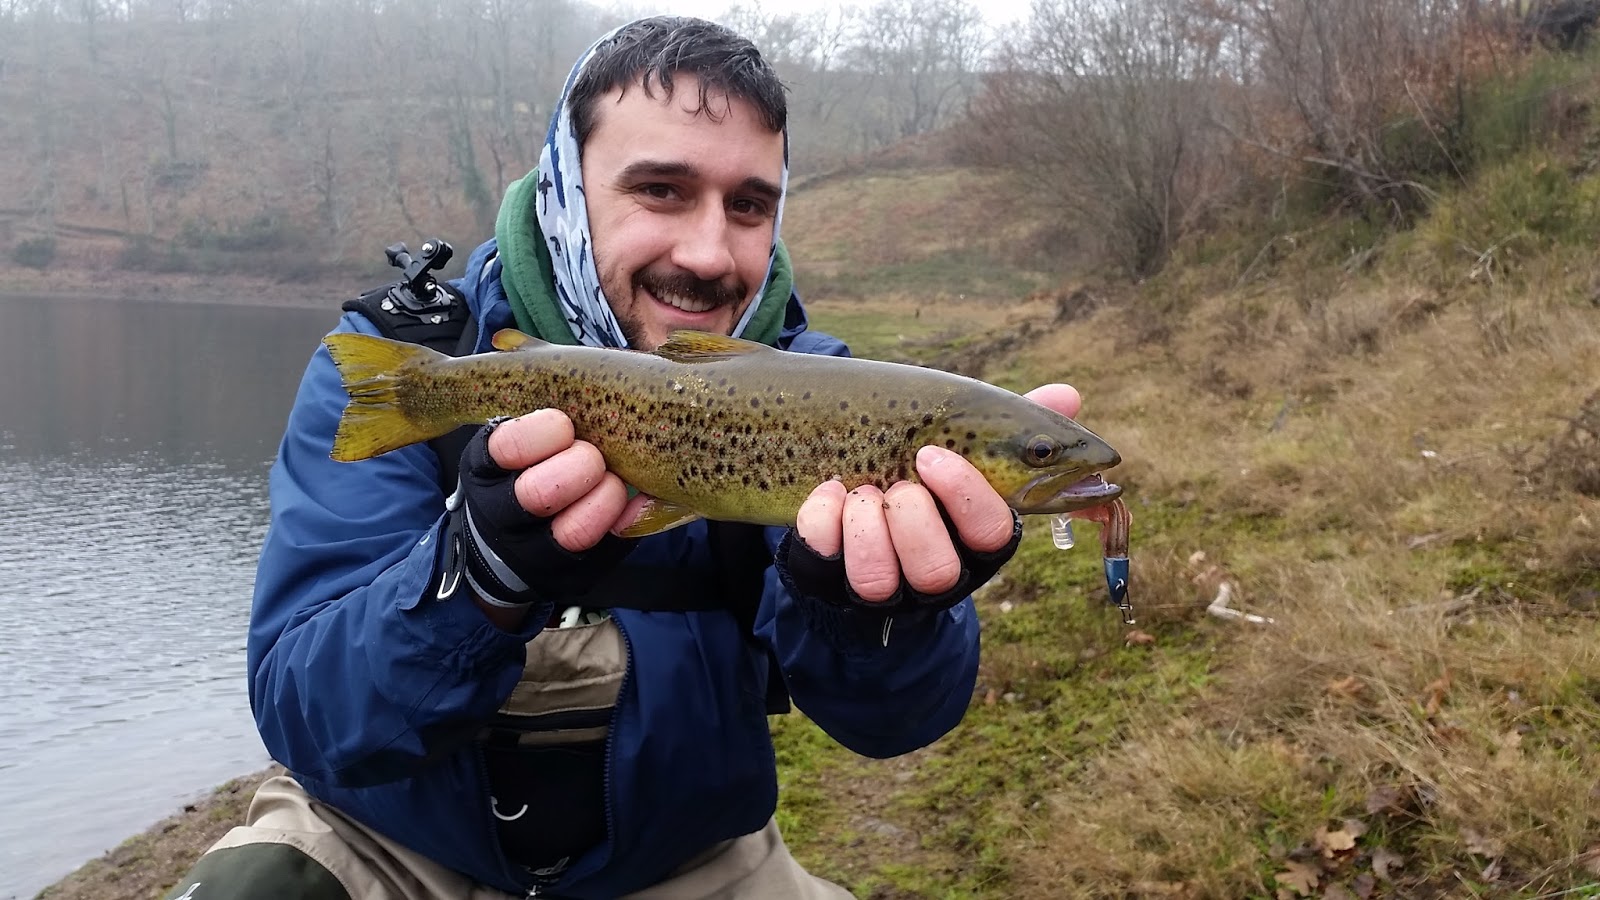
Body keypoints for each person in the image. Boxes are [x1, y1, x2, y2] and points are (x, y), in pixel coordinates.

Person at [164, 15, 1089, 900]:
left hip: (685, 861)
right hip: (389, 846)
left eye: (751, 205)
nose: (708, 251)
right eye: (661, 190)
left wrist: (882, 618)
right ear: (565, 184)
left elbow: (895, 725)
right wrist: (469, 579)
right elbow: (306, 715)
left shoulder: (823, 394)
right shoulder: (420, 364)